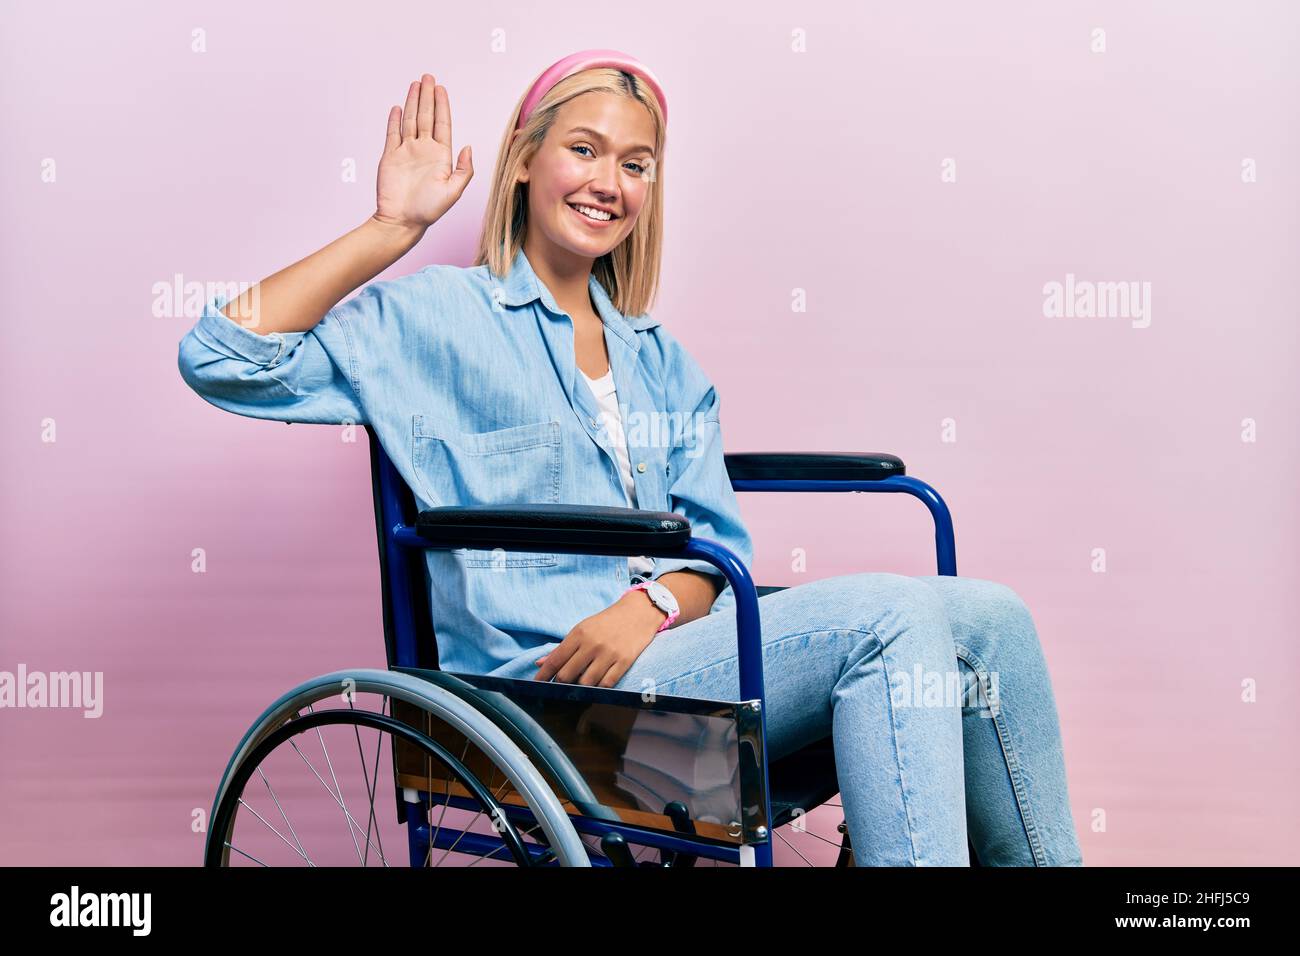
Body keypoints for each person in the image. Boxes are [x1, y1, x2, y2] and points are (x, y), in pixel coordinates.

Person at [176, 50, 1083, 866]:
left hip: (675, 662)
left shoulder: (660, 360)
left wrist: (647, 606)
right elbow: (220, 355)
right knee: (890, 616)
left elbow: (717, 552)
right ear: (524, 159)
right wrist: (389, 228)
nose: (608, 182)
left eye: (635, 164)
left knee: (990, 617)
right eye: (584, 149)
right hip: (551, 703)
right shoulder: (433, 319)